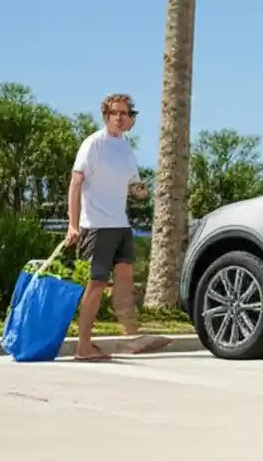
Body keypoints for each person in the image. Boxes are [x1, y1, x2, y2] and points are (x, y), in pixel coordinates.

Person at [65, 93, 169, 361]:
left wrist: (142, 190)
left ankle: (131, 337)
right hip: (97, 226)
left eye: (125, 113)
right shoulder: (93, 144)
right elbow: (76, 184)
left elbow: (133, 186)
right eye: (116, 113)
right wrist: (73, 225)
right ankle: (83, 346)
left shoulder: (124, 147)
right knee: (97, 283)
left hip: (120, 224)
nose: (121, 118)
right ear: (106, 116)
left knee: (124, 280)